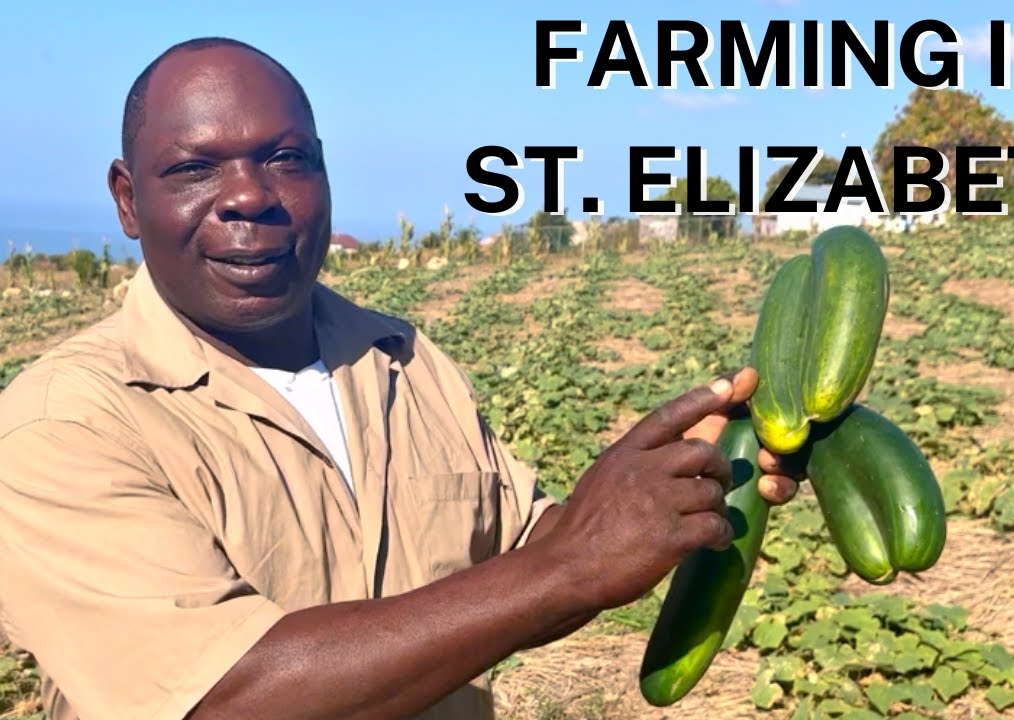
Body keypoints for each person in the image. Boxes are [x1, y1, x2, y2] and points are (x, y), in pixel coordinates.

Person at [0, 37, 804, 720]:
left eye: (286, 159)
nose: (249, 195)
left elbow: (520, 564)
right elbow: (226, 697)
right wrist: (567, 566)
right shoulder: (62, 426)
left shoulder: (402, 359)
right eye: (193, 169)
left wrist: (672, 477)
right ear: (128, 200)